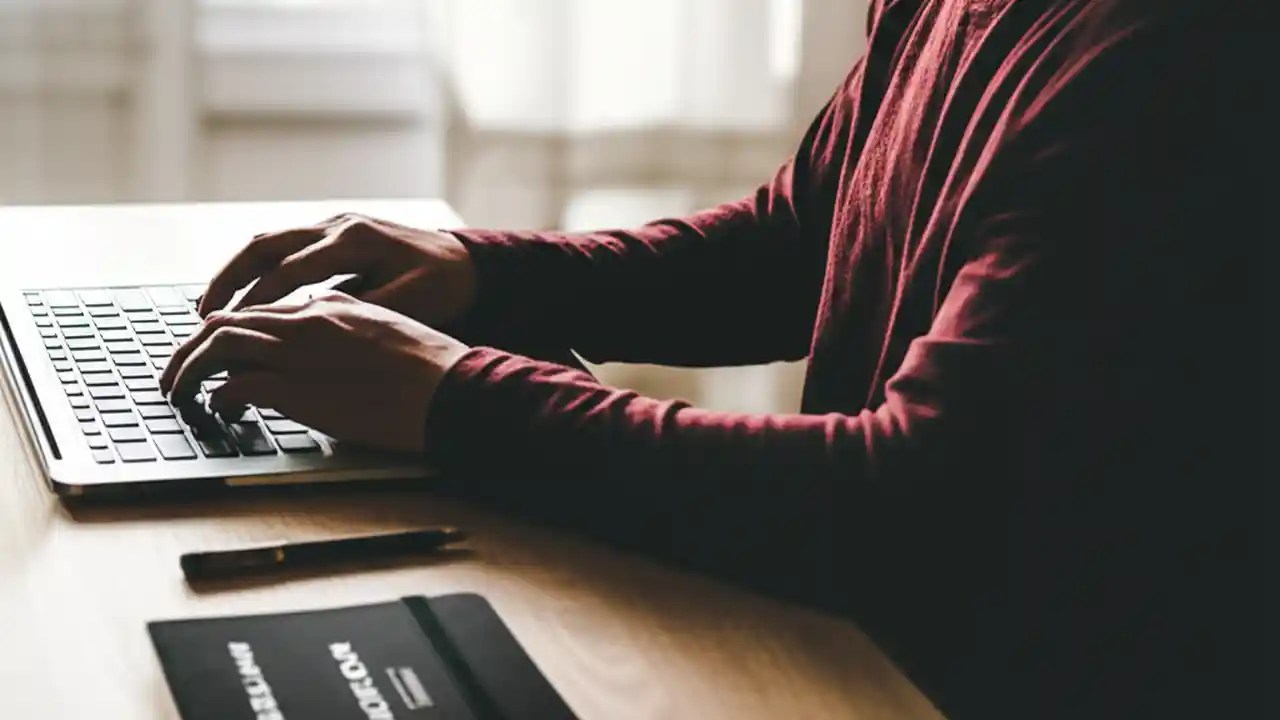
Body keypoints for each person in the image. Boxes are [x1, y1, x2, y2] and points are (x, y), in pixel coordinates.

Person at [159, 1, 1259, 717]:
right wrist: (483, 274)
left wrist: (454, 398)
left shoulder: (1173, 64)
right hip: (860, 651)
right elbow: (804, 240)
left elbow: (909, 501)